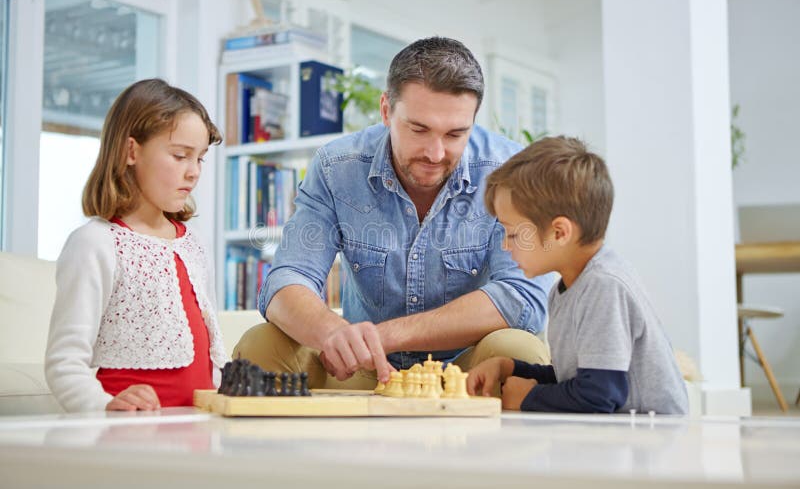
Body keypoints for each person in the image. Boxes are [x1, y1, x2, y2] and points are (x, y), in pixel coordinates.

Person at [234, 36, 554, 389]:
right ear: (386, 110)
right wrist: (337, 335)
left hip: (463, 372)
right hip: (362, 370)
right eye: (419, 129)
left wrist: (384, 336)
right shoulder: (336, 167)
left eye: (455, 134)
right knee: (260, 344)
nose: (435, 153)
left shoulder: (511, 171)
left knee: (518, 348)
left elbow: (521, 298)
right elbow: (286, 278)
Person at [467, 136, 689, 414]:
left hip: (648, 441)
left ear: (559, 232)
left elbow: (599, 396)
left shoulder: (603, 286)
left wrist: (528, 398)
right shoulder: (568, 288)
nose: (505, 245)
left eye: (513, 233)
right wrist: (510, 367)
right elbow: (574, 381)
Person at [45, 79, 228, 412]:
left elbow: (212, 355)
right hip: (129, 435)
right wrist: (104, 406)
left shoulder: (194, 244)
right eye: (180, 156)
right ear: (131, 151)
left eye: (200, 158)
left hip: (199, 430)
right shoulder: (96, 244)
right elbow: (64, 362)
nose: (193, 173)